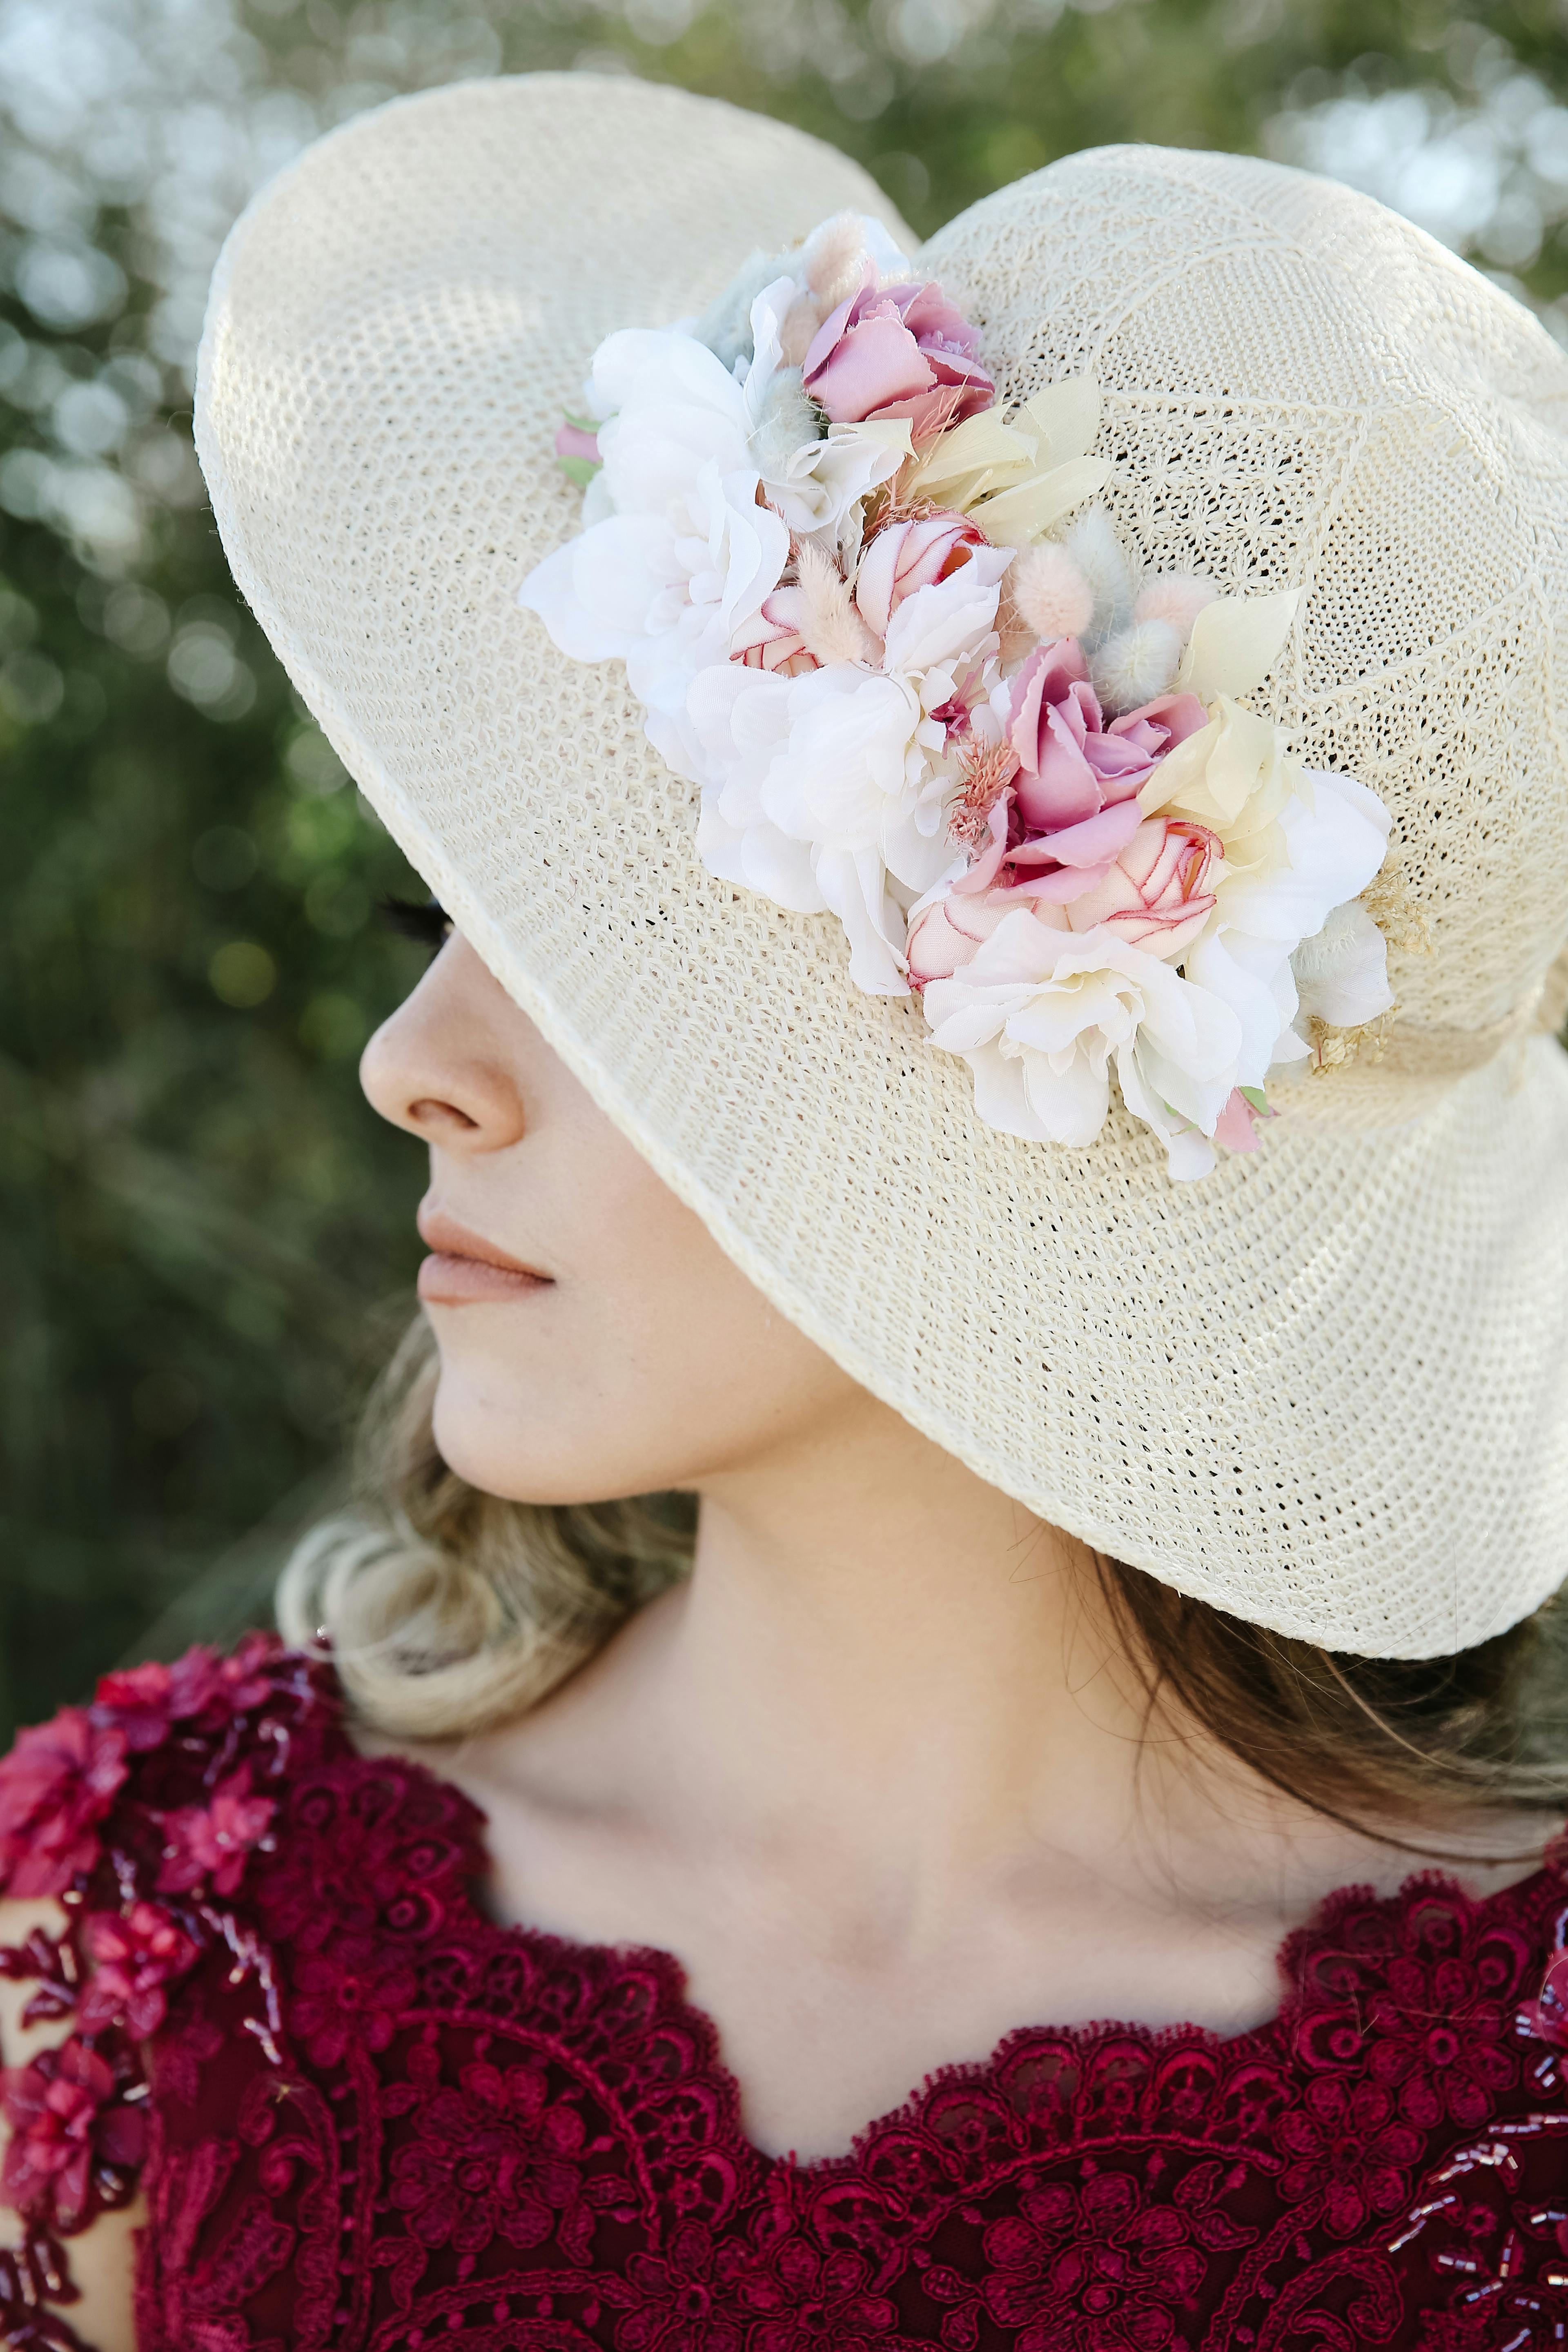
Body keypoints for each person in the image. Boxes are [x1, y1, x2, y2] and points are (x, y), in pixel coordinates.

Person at [3, 72, 1568, 2352]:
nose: (409, 1062)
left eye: (624, 932)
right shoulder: (143, 1929)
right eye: (456, 912)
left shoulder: (1516, 2146)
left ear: (1069, 1007)